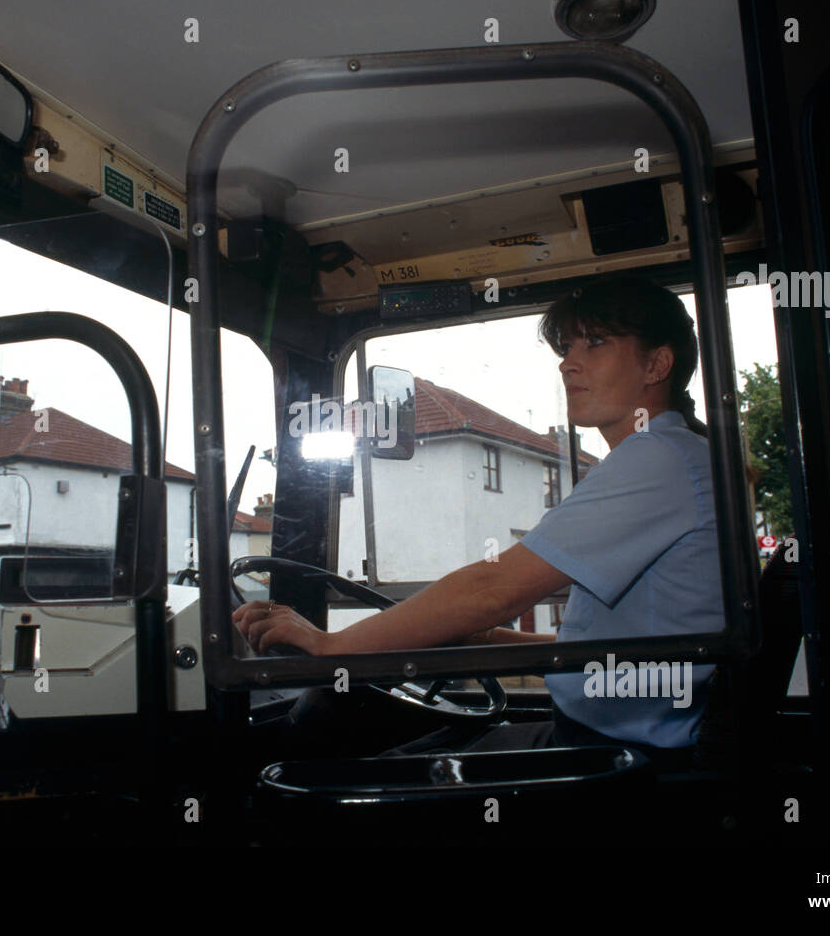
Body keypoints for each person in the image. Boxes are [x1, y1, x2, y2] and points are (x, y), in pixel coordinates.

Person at [234, 277, 724, 763]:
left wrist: (331, 646)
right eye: (568, 345)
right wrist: (485, 638)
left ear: (657, 364)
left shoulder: (656, 459)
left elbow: (490, 590)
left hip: (618, 758)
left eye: (595, 343)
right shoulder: (672, 455)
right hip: (605, 740)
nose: (568, 362)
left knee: (354, 789)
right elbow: (614, 641)